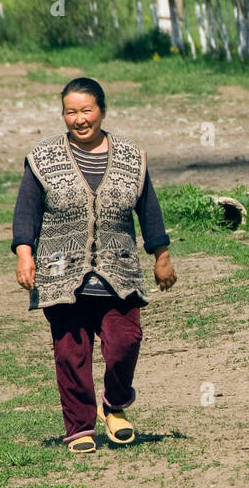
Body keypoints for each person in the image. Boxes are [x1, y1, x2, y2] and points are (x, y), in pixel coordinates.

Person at [12, 78, 177, 453]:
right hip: (59, 271)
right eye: (71, 112)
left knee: (125, 340)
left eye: (86, 111)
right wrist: (25, 253)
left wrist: (162, 256)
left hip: (119, 270)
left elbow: (148, 210)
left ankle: (114, 405)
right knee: (71, 352)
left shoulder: (131, 156)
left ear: (101, 110)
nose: (79, 119)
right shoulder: (43, 158)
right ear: (63, 114)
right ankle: (80, 426)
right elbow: (26, 211)